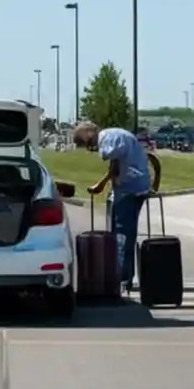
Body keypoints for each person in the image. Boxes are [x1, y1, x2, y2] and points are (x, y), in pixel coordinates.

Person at [71, 122, 161, 294]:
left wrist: (103, 183)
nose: (91, 149)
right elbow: (116, 165)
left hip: (129, 189)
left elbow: (114, 161)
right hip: (130, 188)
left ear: (90, 134)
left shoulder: (108, 139)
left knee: (122, 235)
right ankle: (121, 276)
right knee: (121, 233)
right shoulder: (115, 135)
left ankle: (121, 279)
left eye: (88, 144)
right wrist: (102, 184)